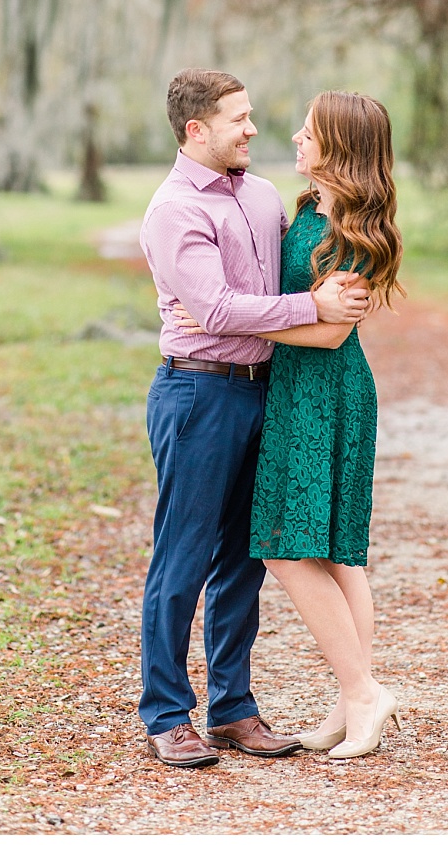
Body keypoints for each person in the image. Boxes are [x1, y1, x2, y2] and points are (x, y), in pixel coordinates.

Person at [135, 68, 370, 769]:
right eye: (239, 118)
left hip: (265, 389)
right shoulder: (174, 209)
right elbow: (217, 308)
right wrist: (314, 310)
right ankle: (168, 713)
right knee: (182, 558)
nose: (254, 129)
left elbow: (276, 284)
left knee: (244, 562)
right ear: (195, 129)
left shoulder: (266, 197)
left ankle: (233, 707)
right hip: (198, 395)